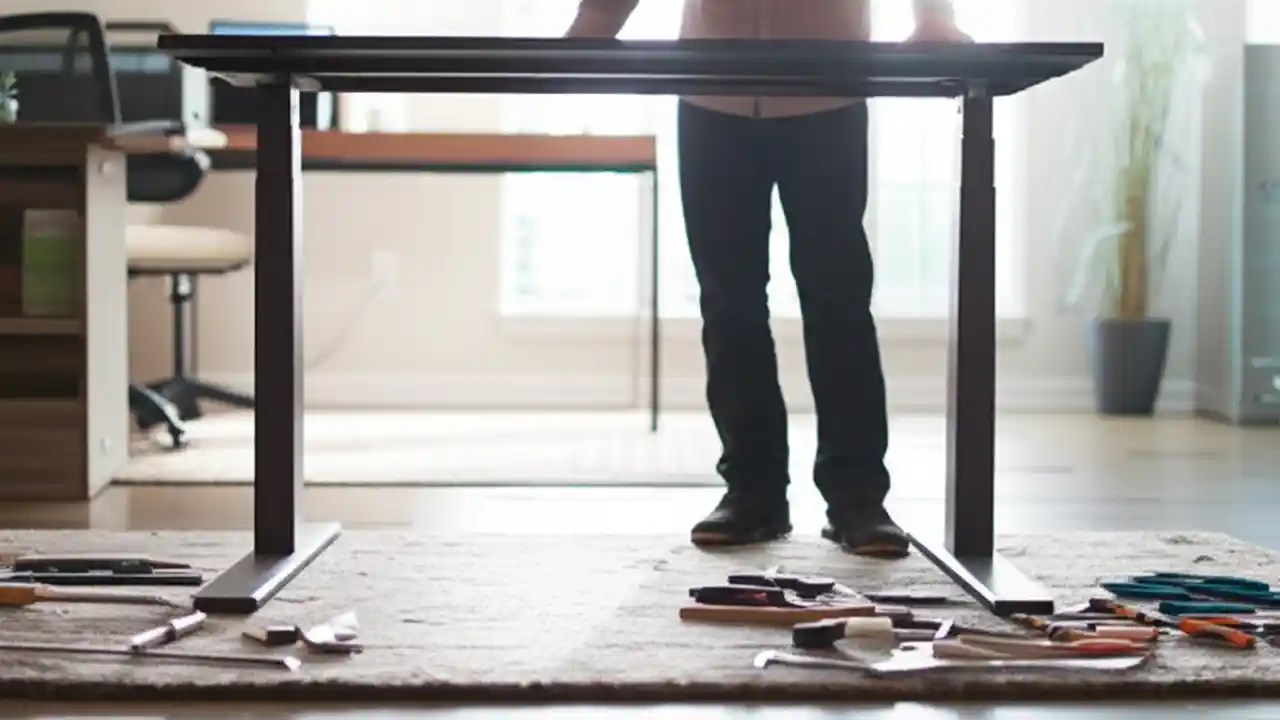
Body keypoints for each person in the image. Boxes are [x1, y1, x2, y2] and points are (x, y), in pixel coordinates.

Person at [567, 0, 972, 558]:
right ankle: (752, 493)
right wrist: (595, 26)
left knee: (838, 300)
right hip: (713, 92)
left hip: (827, 88)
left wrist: (933, 20)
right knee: (729, 303)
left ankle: (856, 497)